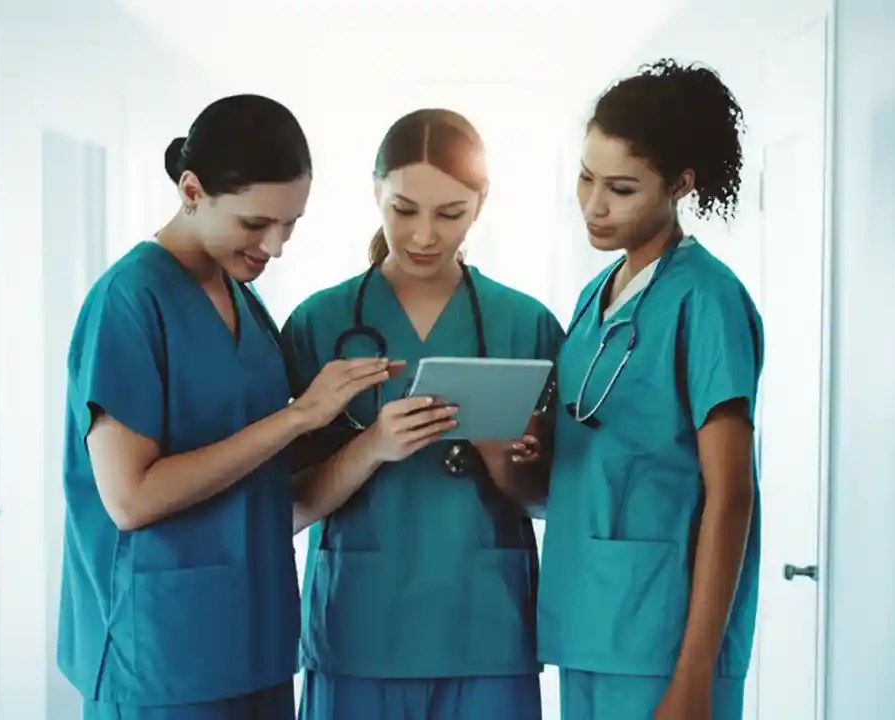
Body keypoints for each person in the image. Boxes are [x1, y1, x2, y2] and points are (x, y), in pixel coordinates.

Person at [58, 94, 392, 720]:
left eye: (290, 225)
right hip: (159, 653)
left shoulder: (242, 301)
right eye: (255, 223)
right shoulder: (129, 302)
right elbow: (129, 499)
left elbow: (272, 501)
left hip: (254, 643)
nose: (275, 246)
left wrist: (377, 444)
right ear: (191, 190)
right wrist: (296, 416)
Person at [281, 108, 564, 720]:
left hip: (486, 632)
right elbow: (289, 507)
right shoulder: (319, 324)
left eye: (451, 214)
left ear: (481, 205)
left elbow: (549, 499)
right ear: (375, 193)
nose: (424, 235)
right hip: (360, 631)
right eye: (403, 209)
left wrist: (506, 461)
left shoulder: (526, 324)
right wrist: (371, 448)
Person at [537, 59, 765, 720]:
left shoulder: (708, 299)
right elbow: (598, 456)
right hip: (589, 621)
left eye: (622, 188)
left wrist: (694, 673)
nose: (594, 204)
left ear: (679, 185)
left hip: (662, 643)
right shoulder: (592, 301)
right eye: (585, 177)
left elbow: (732, 494)